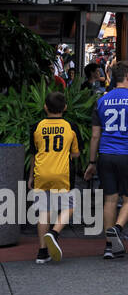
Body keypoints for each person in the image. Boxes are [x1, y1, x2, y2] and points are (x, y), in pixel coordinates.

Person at [85, 63, 128, 260]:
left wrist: (91, 161)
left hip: (105, 154)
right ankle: (117, 228)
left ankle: (108, 245)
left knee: (110, 199)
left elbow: (95, 136)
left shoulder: (102, 100)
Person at [29, 92, 79, 265]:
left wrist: (30, 177)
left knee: (44, 211)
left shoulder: (36, 126)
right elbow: (76, 153)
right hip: (62, 174)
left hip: (41, 173)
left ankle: (42, 252)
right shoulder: (70, 126)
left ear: (45, 107)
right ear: (65, 107)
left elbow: (35, 154)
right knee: (71, 205)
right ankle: (55, 232)